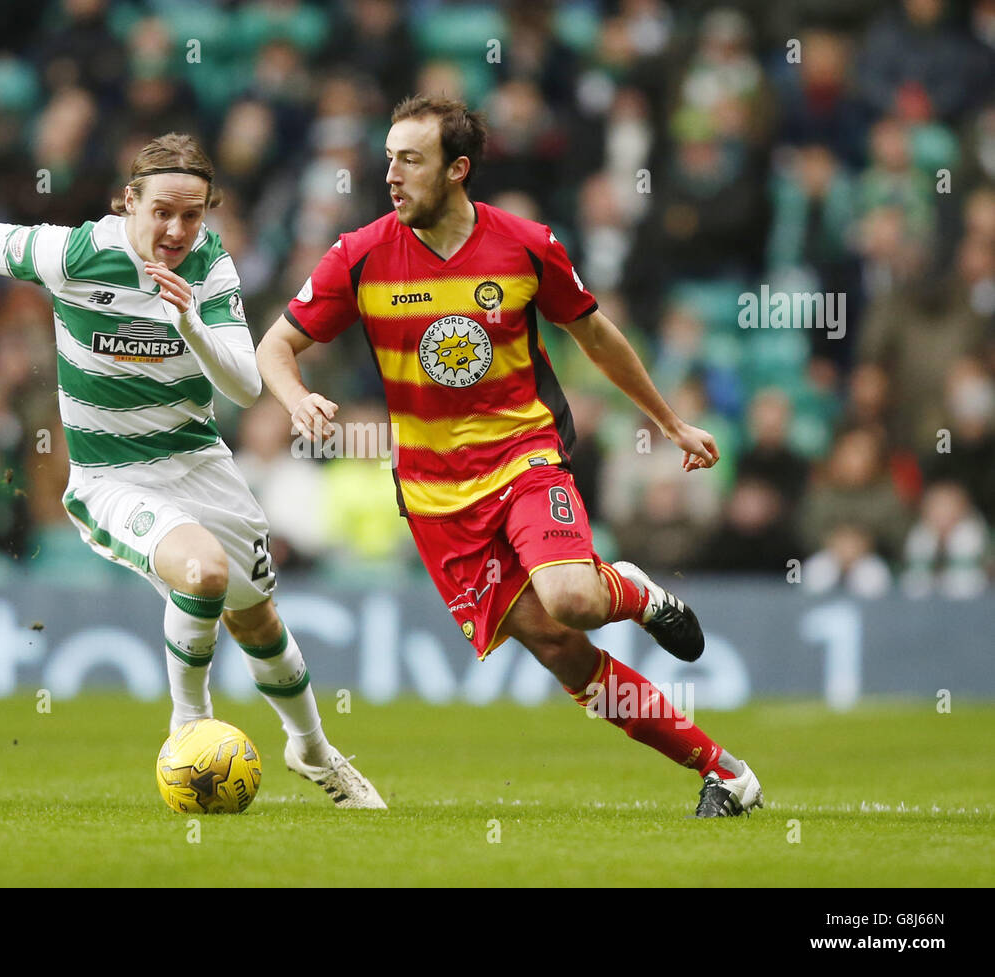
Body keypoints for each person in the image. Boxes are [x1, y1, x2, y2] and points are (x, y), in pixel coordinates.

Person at [257, 96, 762, 817]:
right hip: (435, 498)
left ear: (458, 169)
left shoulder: (526, 245)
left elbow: (595, 336)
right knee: (562, 651)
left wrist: (669, 420)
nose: (392, 176)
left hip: (523, 458)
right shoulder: (360, 254)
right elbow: (275, 346)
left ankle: (636, 593)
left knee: (574, 599)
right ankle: (726, 772)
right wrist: (295, 397)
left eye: (411, 160)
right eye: (388, 159)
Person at [0, 133, 384, 809]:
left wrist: (190, 321)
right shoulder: (78, 252)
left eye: (192, 215)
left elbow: (246, 387)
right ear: (129, 202)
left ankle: (312, 749)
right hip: (115, 478)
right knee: (201, 573)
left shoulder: (209, 265)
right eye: (162, 211)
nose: (176, 229)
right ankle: (189, 729)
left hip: (200, 465)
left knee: (257, 623)